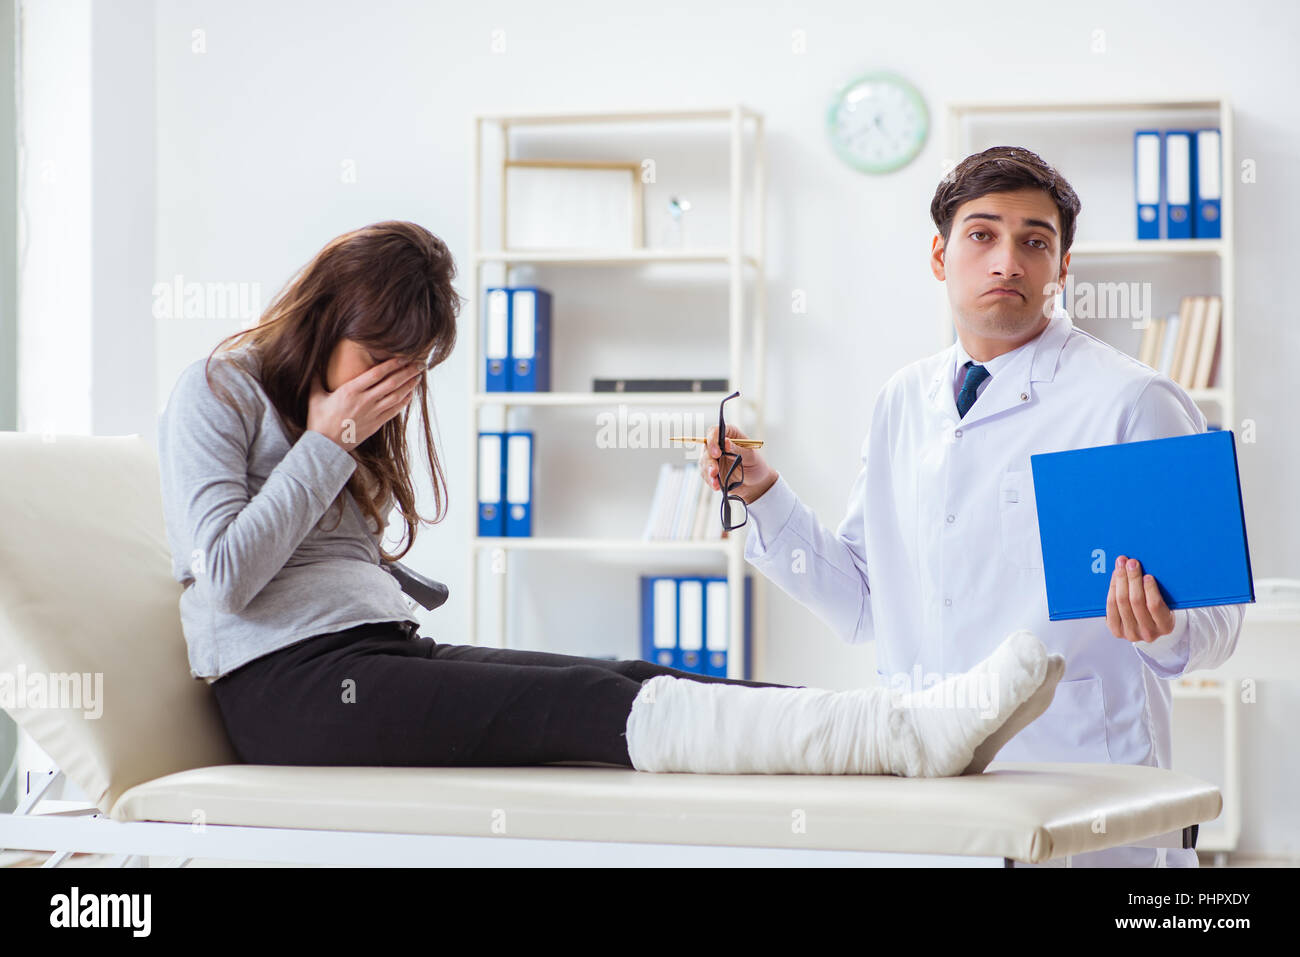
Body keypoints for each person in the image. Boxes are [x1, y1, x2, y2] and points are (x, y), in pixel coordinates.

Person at [156, 219, 1063, 783]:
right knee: (586, 704)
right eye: (379, 362)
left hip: (373, 647)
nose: (391, 391)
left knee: (629, 672)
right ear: (323, 315)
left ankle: (903, 725)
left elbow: (324, 561)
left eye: (410, 374)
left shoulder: (340, 408)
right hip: (287, 689)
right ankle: (904, 741)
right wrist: (325, 445)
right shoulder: (219, 390)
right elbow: (226, 578)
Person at [699, 146, 1246, 866]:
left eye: (1035, 241)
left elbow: (1216, 624)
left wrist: (1164, 624)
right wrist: (764, 495)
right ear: (940, 255)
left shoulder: (1132, 401)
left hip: (1081, 788)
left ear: (1062, 267)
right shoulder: (904, 398)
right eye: (983, 235)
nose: (1008, 261)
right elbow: (865, 603)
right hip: (928, 787)